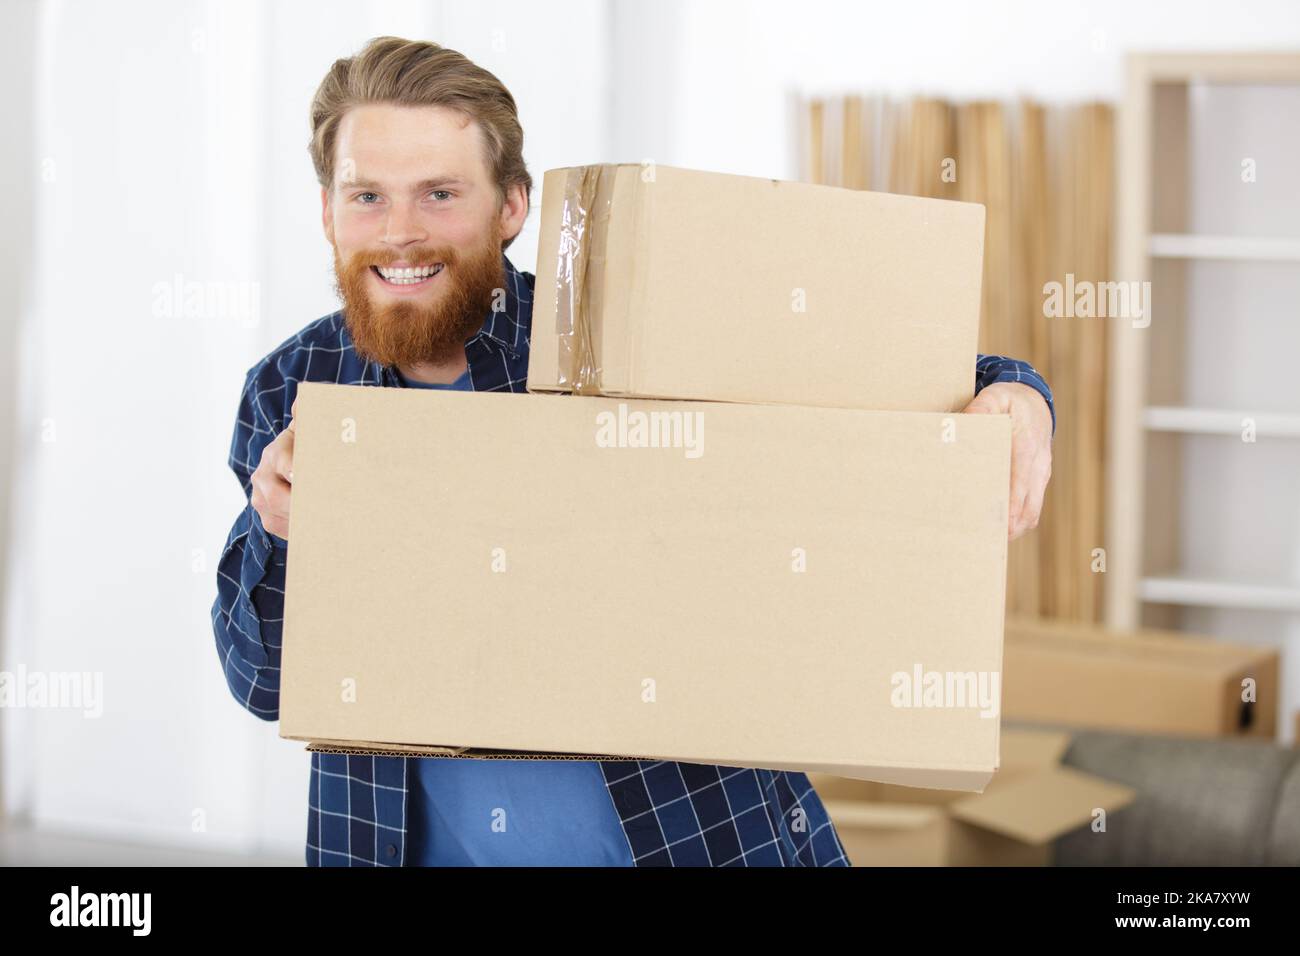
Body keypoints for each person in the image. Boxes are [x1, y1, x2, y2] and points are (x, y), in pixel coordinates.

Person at [211, 35, 1055, 867]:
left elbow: (871, 370)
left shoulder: (609, 329)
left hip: (693, 841)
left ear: (512, 206)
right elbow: (263, 684)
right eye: (367, 197)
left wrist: (1017, 392)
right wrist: (276, 532)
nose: (400, 233)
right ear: (326, 210)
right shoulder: (291, 387)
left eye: (439, 194)